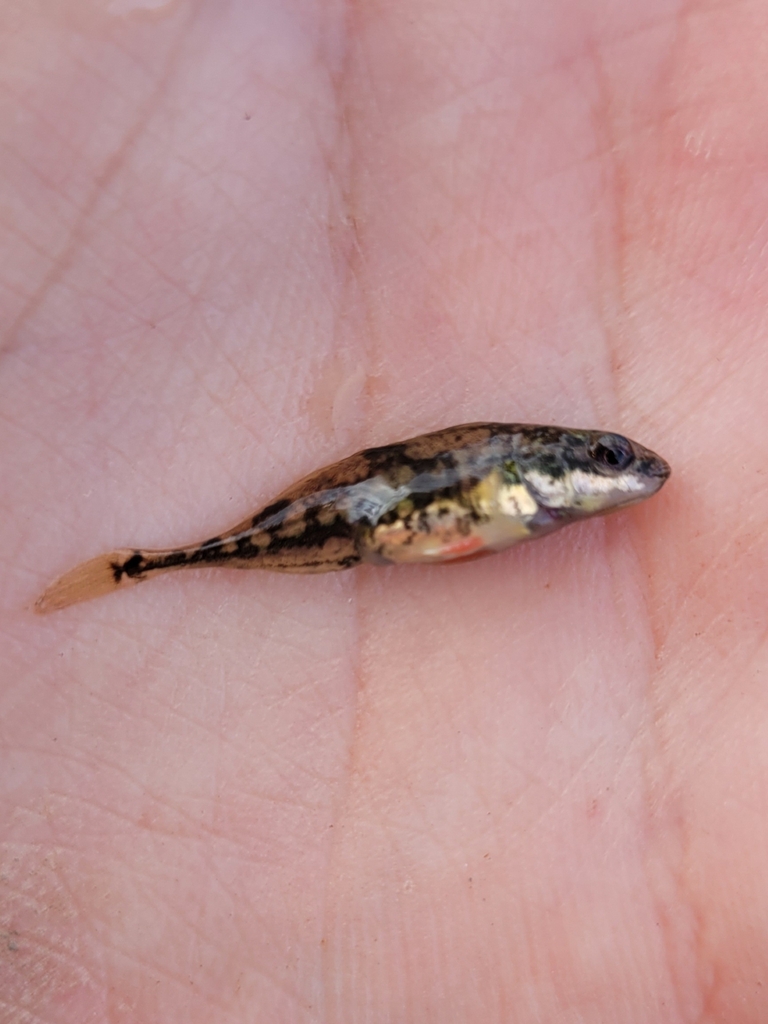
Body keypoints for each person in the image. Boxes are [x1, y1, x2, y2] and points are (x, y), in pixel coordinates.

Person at [1, 1, 766, 1020]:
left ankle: (154, 563)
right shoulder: (519, 473)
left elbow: (456, 522)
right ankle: (147, 562)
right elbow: (444, 511)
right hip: (363, 523)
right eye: (608, 459)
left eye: (616, 459)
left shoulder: (529, 489)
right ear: (560, 461)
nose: (625, 473)